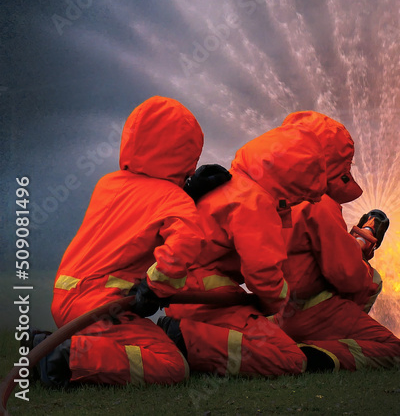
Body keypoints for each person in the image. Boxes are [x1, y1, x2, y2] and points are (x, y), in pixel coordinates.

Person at [45, 96, 206, 387]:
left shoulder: (107, 183)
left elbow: (137, 215)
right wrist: (154, 288)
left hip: (64, 300)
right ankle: (68, 359)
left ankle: (44, 344)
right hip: (104, 308)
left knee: (124, 343)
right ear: (188, 157)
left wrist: (184, 192)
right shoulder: (174, 200)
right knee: (173, 366)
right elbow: (185, 243)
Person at [159, 122, 327, 377]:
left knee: (270, 343)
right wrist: (275, 302)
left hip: (190, 295)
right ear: (295, 179)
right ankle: (182, 340)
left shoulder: (235, 186)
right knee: (290, 359)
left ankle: (186, 339)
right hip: (205, 298)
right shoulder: (255, 203)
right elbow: (263, 276)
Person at [279, 111, 400, 370]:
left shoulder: (272, 197)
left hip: (280, 311)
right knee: (393, 349)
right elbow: (346, 276)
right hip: (315, 310)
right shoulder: (319, 204)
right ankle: (315, 355)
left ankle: (294, 345)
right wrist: (358, 251)